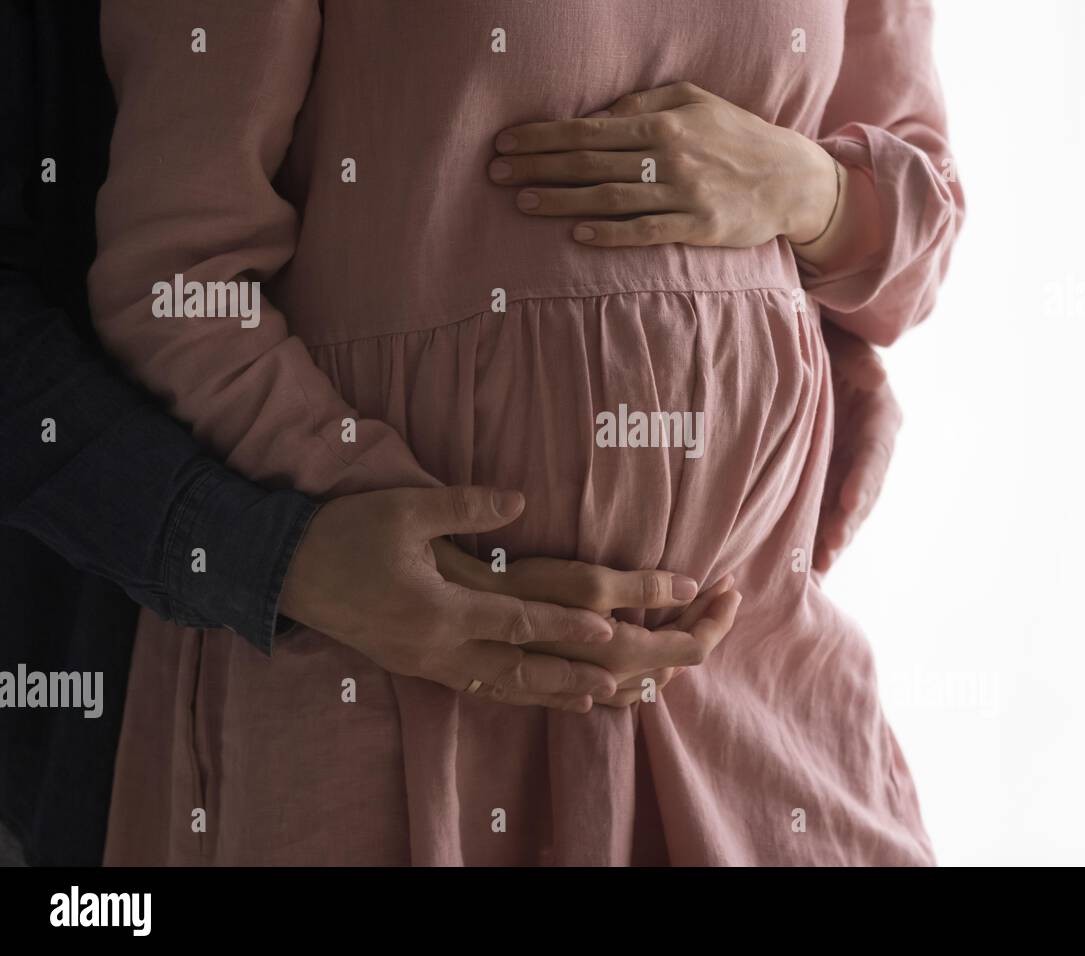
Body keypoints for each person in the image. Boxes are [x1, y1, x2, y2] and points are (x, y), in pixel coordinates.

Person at [90, 0, 953, 865]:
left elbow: (916, 252)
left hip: (745, 666)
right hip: (382, 668)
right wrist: (357, 544)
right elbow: (177, 279)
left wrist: (813, 189)